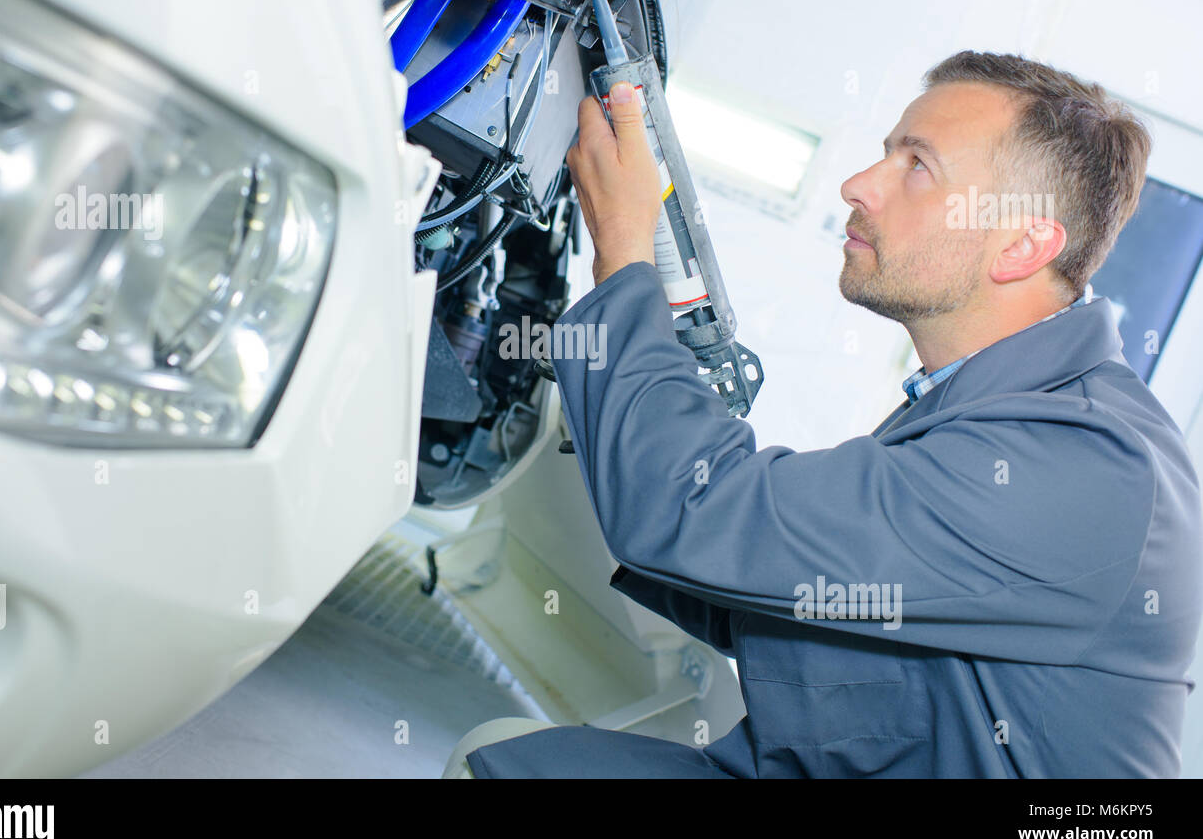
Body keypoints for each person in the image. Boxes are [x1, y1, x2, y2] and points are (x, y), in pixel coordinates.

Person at [451, 51, 1203, 778]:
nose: (857, 185)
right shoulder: (990, 407)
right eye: (887, 152)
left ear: (1021, 245)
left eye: (918, 166)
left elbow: (700, 510)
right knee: (509, 761)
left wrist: (625, 252)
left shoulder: (1087, 464)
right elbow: (789, 590)